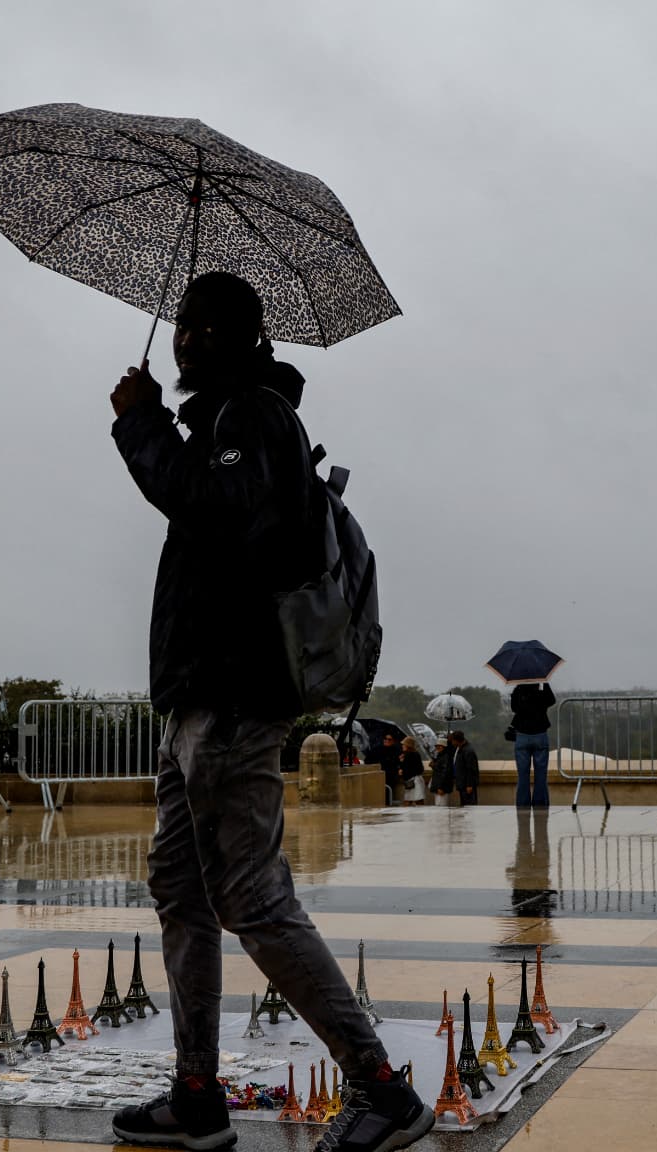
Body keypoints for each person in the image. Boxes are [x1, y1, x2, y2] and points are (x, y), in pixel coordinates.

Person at [107, 271, 430, 1152]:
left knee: (248, 892)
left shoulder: (252, 416)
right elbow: (214, 502)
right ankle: (198, 1092)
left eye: (198, 328)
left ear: (231, 338)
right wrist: (167, 427)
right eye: (182, 325)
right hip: (196, 698)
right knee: (181, 886)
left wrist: (138, 423)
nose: (183, 341)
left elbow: (212, 505)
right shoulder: (225, 419)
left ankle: (380, 1090)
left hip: (232, 694)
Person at [509, 680, 557, 808]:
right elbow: (552, 700)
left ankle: (522, 805)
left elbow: (513, 707)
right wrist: (545, 682)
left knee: (523, 776)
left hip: (522, 735)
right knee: (541, 776)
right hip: (540, 734)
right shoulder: (541, 691)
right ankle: (540, 805)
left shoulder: (519, 689)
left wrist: (516, 687)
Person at [449, 730, 481, 807]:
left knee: (469, 807)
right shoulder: (460, 748)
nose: (452, 743)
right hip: (462, 784)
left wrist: (469, 785)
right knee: (464, 806)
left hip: (467, 785)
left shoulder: (468, 751)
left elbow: (471, 769)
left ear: (457, 740)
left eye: (452, 741)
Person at [370, 730, 402, 806]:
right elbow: (368, 761)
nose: (386, 740)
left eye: (389, 739)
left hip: (390, 776)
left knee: (388, 795)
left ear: (393, 741)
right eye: (385, 738)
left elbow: (399, 763)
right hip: (378, 775)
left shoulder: (397, 751)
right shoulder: (376, 749)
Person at [395, 736, 427, 806]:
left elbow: (416, 769)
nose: (402, 746)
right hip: (411, 781)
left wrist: (403, 770)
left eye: (404, 744)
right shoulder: (408, 755)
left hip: (414, 781)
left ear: (408, 745)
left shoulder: (412, 755)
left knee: (417, 800)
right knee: (410, 800)